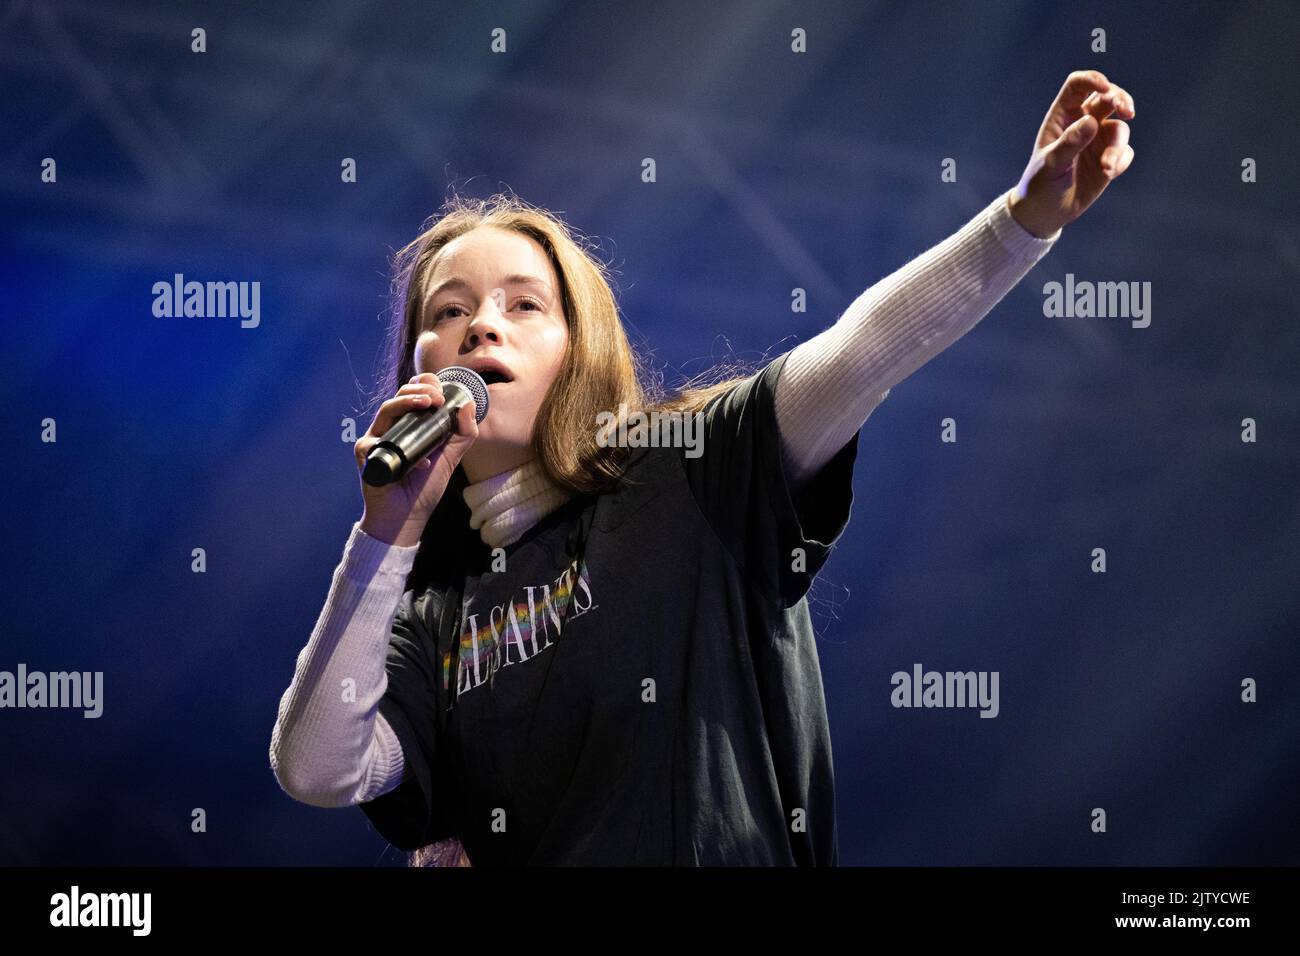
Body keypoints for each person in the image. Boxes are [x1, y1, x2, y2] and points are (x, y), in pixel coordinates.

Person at [269, 71, 1135, 866]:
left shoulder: (688, 472)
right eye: (449, 310)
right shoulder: (433, 622)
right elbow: (314, 768)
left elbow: (861, 352)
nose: (482, 327)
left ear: (582, 349)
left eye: (523, 304)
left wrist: (1022, 220)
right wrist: (388, 528)